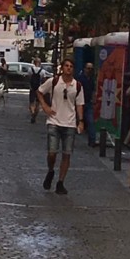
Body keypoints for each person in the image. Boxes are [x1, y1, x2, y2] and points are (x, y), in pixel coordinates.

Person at [38, 57, 85, 195]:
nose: (68, 68)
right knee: (52, 153)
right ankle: (51, 170)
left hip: (69, 123)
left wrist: (80, 121)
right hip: (54, 121)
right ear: (62, 68)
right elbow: (39, 92)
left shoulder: (77, 86)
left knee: (66, 154)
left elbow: (79, 104)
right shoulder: (54, 81)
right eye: (66, 65)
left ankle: (60, 182)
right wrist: (45, 106)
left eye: (71, 66)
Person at [77, 61, 96, 146]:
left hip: (88, 103)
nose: (90, 70)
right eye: (88, 68)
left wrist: (93, 100)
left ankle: (92, 141)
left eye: (91, 69)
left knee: (91, 121)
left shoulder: (91, 80)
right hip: (79, 103)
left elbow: (93, 91)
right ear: (85, 69)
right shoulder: (80, 79)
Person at [28, 57, 44, 123]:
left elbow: (29, 77)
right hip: (39, 88)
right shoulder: (42, 71)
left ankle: (32, 113)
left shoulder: (30, 69)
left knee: (31, 102)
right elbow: (43, 79)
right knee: (38, 103)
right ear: (40, 63)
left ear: (34, 63)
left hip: (32, 88)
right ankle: (35, 115)